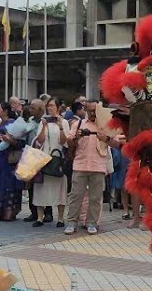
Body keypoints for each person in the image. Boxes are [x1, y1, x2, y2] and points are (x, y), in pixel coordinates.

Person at [64, 99, 119, 235]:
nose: (93, 113)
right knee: (75, 196)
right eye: (90, 110)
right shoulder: (79, 124)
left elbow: (117, 144)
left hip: (98, 165)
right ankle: (71, 222)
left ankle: (92, 223)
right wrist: (75, 138)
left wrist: (106, 139)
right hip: (80, 165)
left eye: (95, 110)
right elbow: (68, 142)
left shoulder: (107, 125)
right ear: (85, 110)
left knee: (95, 197)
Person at [32, 98, 70, 227]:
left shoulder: (64, 122)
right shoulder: (43, 122)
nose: (50, 108)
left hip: (57, 158)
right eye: (48, 106)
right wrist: (43, 127)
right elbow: (40, 141)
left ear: (58, 107)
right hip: (44, 157)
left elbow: (64, 141)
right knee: (41, 187)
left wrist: (60, 127)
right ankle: (39, 217)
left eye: (52, 106)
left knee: (60, 188)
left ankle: (60, 218)